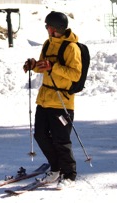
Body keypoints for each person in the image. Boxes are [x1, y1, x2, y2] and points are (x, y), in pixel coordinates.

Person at [22, 10, 81, 183]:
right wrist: (34, 65)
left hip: (62, 102)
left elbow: (75, 75)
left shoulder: (71, 48)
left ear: (55, 28)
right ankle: (55, 168)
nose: (46, 28)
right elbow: (43, 66)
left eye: (48, 26)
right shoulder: (48, 44)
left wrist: (53, 66)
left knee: (61, 140)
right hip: (45, 99)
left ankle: (69, 175)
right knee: (40, 135)